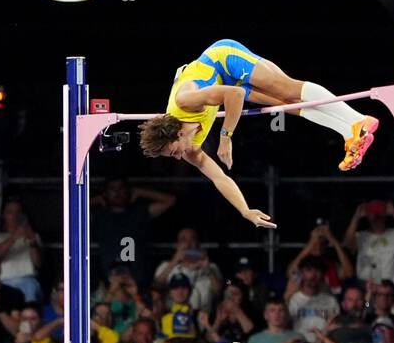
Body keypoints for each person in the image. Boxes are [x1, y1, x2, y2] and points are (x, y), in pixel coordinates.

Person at [138, 41, 378, 223]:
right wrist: (244, 210)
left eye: (173, 152)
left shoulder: (186, 101)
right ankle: (348, 132)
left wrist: (225, 137)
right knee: (287, 105)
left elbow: (235, 95)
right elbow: (219, 178)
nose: (179, 157)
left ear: (177, 134)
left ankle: (358, 120)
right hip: (228, 82)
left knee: (288, 90)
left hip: (222, 59)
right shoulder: (191, 148)